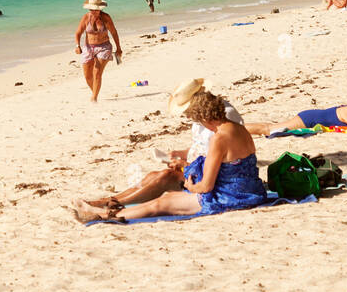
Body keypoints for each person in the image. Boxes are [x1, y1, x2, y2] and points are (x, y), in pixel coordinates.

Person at [72, 90, 267, 223]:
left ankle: (104, 214)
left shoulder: (219, 138)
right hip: (251, 189)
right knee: (166, 196)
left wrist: (191, 186)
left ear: (206, 118)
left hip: (231, 196)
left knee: (161, 203)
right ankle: (110, 207)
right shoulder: (239, 129)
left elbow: (206, 186)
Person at [245, 102, 347, 136]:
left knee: (271, 127)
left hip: (311, 116)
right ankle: (238, 128)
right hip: (309, 119)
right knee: (268, 129)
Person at [74, 0, 121, 102]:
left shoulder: (106, 18)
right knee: (87, 76)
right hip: (88, 47)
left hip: (104, 47)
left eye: (96, 9)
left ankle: (94, 98)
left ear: (100, 8)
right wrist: (77, 45)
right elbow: (78, 33)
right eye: (91, 9)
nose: (93, 11)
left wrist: (118, 48)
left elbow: (114, 32)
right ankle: (95, 92)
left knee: (97, 72)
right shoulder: (86, 17)